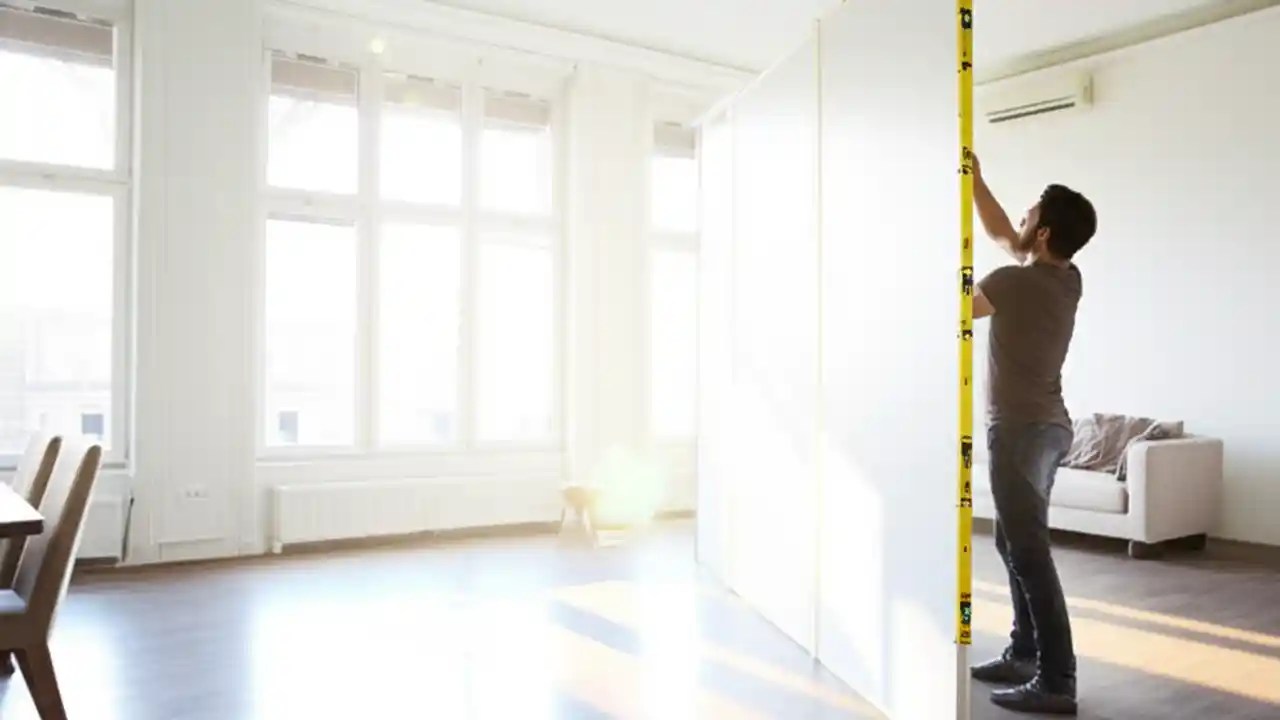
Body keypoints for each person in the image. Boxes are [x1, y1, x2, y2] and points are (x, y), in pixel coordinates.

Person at [968, 154, 1096, 716]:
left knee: (1028, 552)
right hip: (1048, 428)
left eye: (1029, 214)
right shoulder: (1067, 278)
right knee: (1012, 543)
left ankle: (1056, 680)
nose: (1018, 220)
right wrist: (974, 178)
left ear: (1042, 231)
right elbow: (1005, 234)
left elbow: (954, 310)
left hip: (1020, 430)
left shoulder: (1009, 284)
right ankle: (1024, 653)